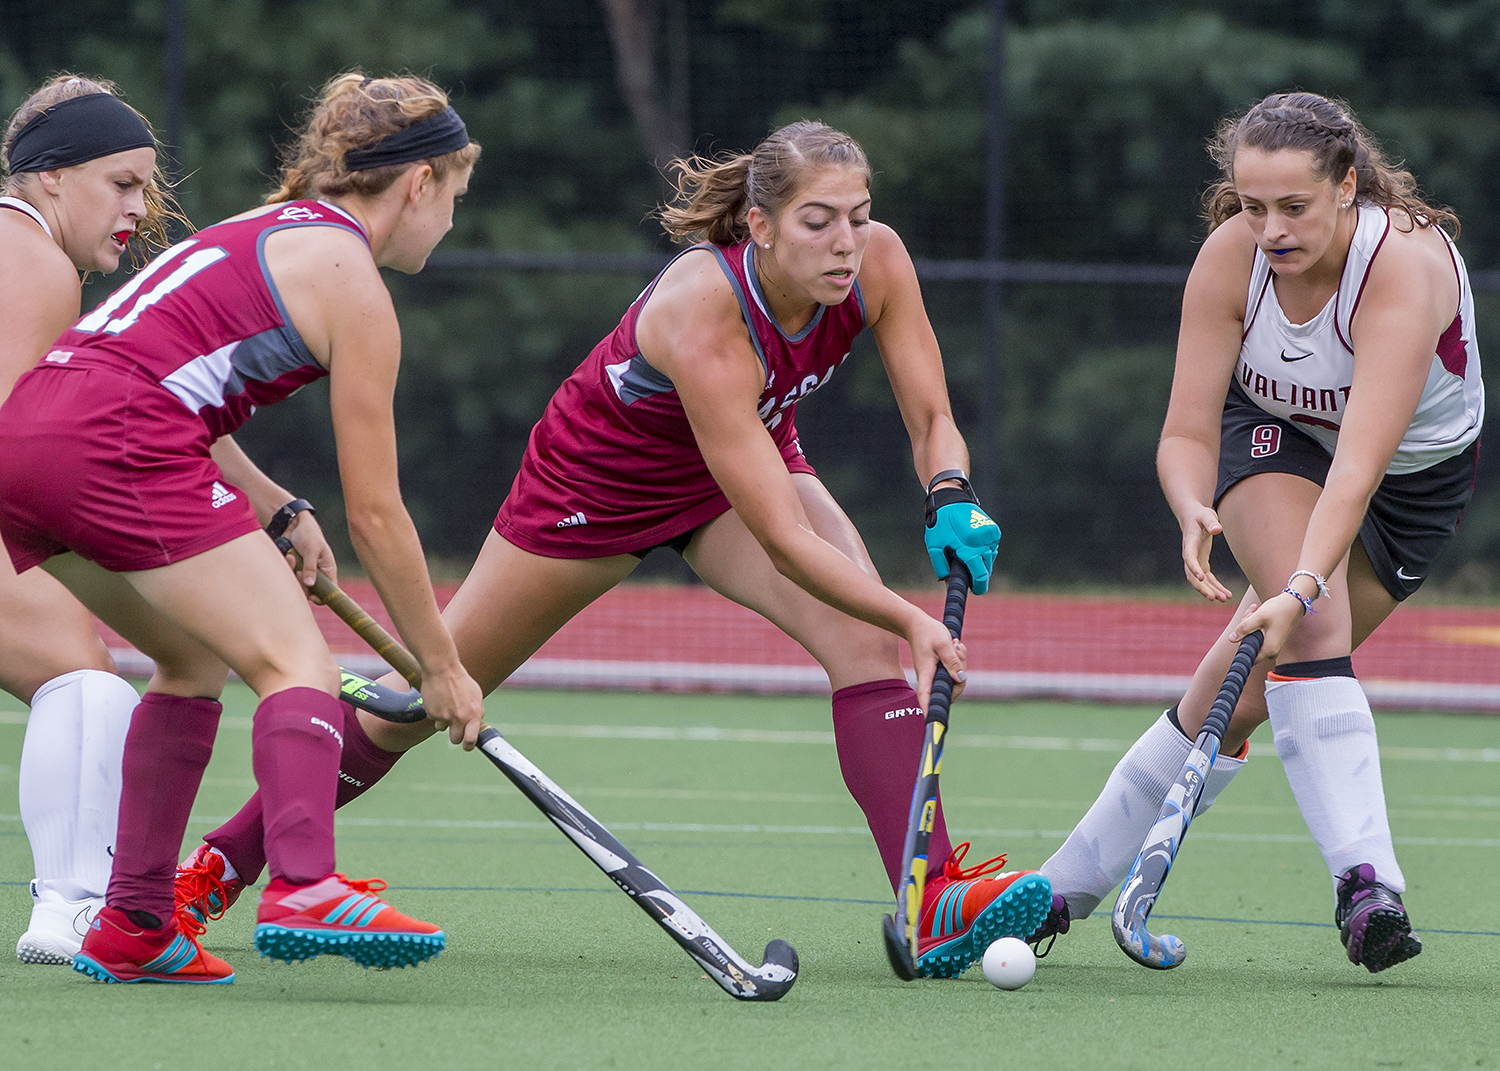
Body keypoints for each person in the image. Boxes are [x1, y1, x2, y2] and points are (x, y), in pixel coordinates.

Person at [180, 119, 1052, 980]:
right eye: (819, 221)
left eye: (859, 216)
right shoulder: (703, 311)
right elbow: (786, 542)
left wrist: (951, 495)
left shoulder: (879, 263)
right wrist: (913, 614)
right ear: (761, 226)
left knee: (865, 645)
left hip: (736, 474)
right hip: (591, 494)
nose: (846, 242)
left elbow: (933, 419)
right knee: (416, 702)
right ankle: (215, 871)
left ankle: (933, 892)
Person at [0, 71, 487, 984]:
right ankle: (305, 882)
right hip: (120, 440)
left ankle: (133, 920)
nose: (451, 223)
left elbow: (156, 381)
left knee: (191, 661)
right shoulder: (355, 287)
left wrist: (276, 507)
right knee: (291, 660)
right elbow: (378, 514)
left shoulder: (255, 234)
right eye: (455, 197)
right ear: (418, 184)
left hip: (29, 443)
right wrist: (443, 666)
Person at [1030, 92, 1482, 974]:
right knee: (1308, 632)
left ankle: (1061, 887)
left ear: (1347, 186)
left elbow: (1356, 470)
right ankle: (1367, 886)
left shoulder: (1403, 268)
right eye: (1251, 205)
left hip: (1408, 480)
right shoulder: (1231, 259)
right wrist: (1195, 501)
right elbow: (1188, 431)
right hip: (1270, 436)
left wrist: (1301, 583)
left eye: (1293, 207)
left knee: (1240, 692)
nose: (1268, 229)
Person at [0, 73, 334, 967]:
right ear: (48, 177)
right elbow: (32, 436)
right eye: (121, 182)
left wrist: (272, 503)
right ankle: (76, 909)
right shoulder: (27, 253)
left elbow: (121, 404)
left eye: (145, 184)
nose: (139, 207)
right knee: (86, 681)